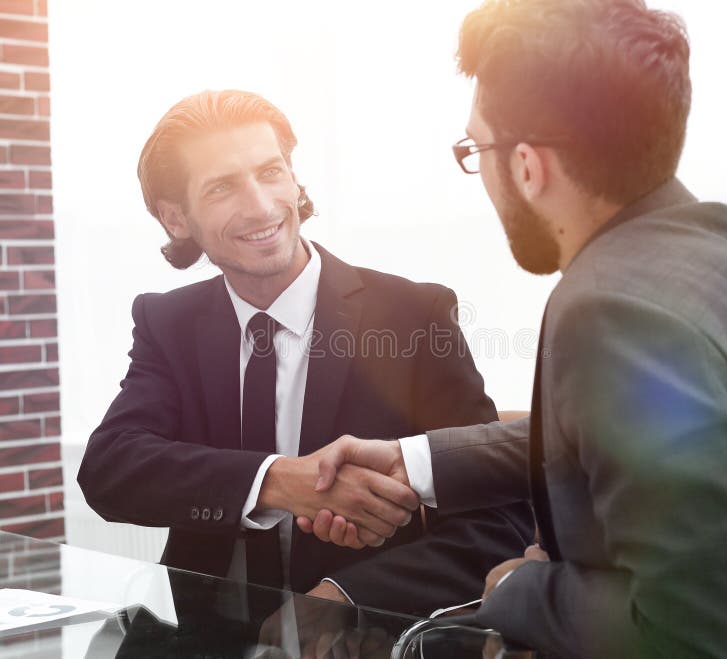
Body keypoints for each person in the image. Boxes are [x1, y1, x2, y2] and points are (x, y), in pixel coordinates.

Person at [297, 0, 727, 656]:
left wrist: (523, 586)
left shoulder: (610, 313)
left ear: (529, 166)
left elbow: (702, 630)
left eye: (475, 148)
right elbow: (644, 433)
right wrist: (415, 460)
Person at [77, 89, 534, 619]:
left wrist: (348, 597)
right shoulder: (168, 322)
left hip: (366, 638)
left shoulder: (413, 314)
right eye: (223, 186)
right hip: (201, 640)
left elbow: (499, 521)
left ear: (294, 179)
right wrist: (278, 483)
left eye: (271, 172)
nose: (261, 206)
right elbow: (111, 467)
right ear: (176, 218)